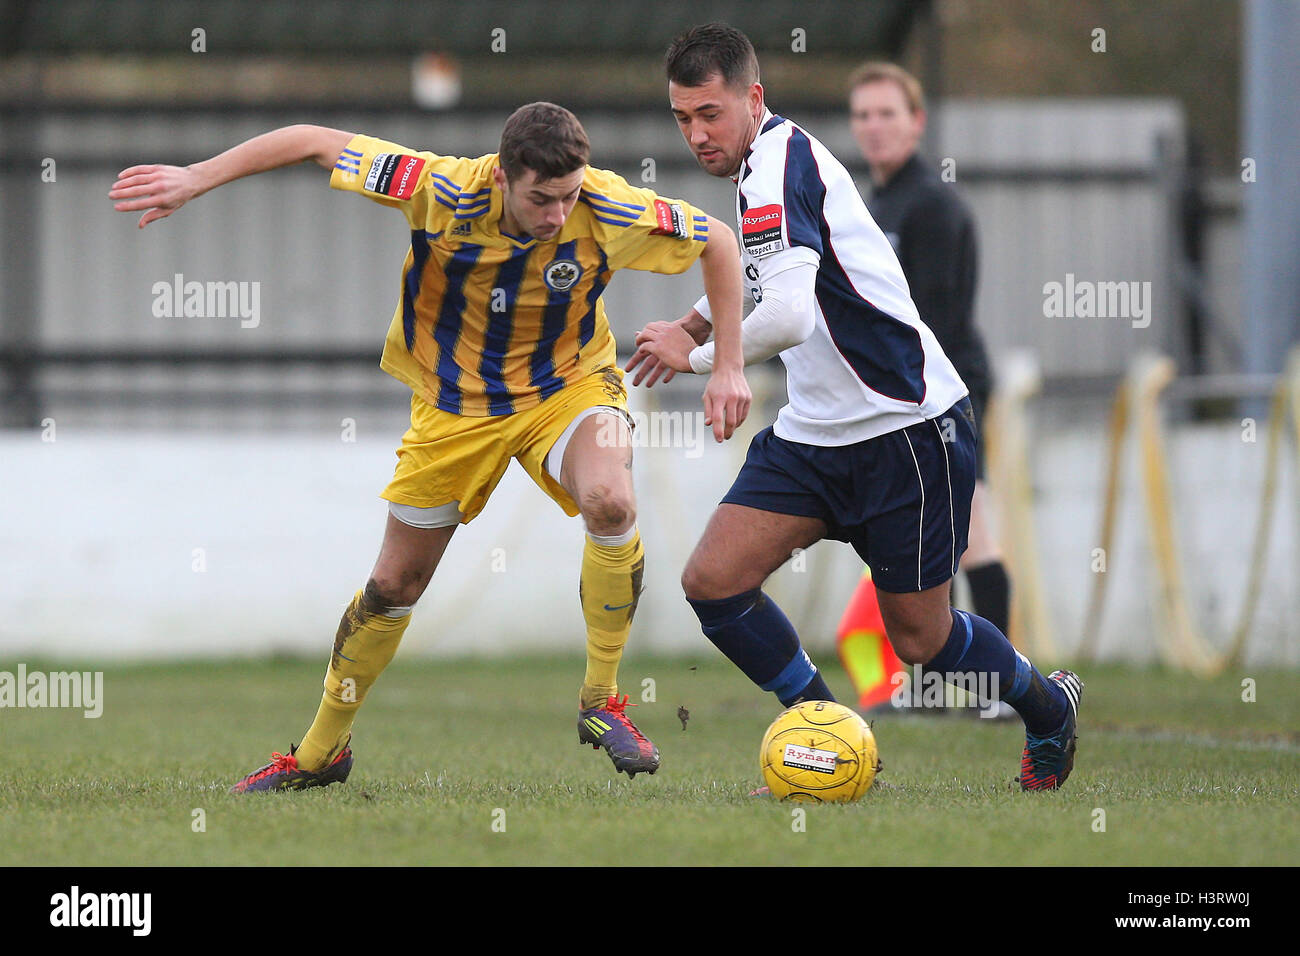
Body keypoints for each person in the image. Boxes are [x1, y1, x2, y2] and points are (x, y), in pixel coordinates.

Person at [109, 102, 750, 790]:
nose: (559, 215)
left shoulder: (609, 208)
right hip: (453, 410)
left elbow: (718, 240)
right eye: (541, 198)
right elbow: (311, 141)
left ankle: (602, 702)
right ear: (502, 178)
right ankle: (319, 755)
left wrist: (728, 364)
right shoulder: (439, 187)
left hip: (567, 390)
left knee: (611, 501)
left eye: (568, 197)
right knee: (394, 585)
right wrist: (195, 178)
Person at [627, 24, 1081, 790]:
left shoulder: (775, 168)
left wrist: (708, 359)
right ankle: (833, 733)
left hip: (906, 429)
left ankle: (1047, 708)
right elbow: (758, 271)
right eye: (682, 119)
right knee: (714, 580)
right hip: (815, 434)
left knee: (921, 641)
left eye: (709, 114)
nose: (697, 134)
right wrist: (696, 321)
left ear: (753, 98)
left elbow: (792, 315)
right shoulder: (763, 164)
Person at [837, 62, 1013, 715]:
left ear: (917, 121)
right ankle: (935, 687)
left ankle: (1000, 689)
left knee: (971, 532)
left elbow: (934, 319)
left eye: (887, 113)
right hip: (899, 393)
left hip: (946, 390)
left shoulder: (934, 207)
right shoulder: (871, 203)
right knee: (925, 538)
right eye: (863, 115)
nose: (874, 127)